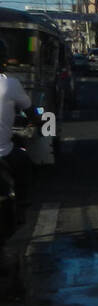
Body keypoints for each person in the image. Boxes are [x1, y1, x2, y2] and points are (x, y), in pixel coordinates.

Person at [0, 38, 34, 206]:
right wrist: (37, 121)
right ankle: (20, 206)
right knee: (23, 162)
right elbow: (30, 111)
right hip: (3, 152)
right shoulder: (10, 84)